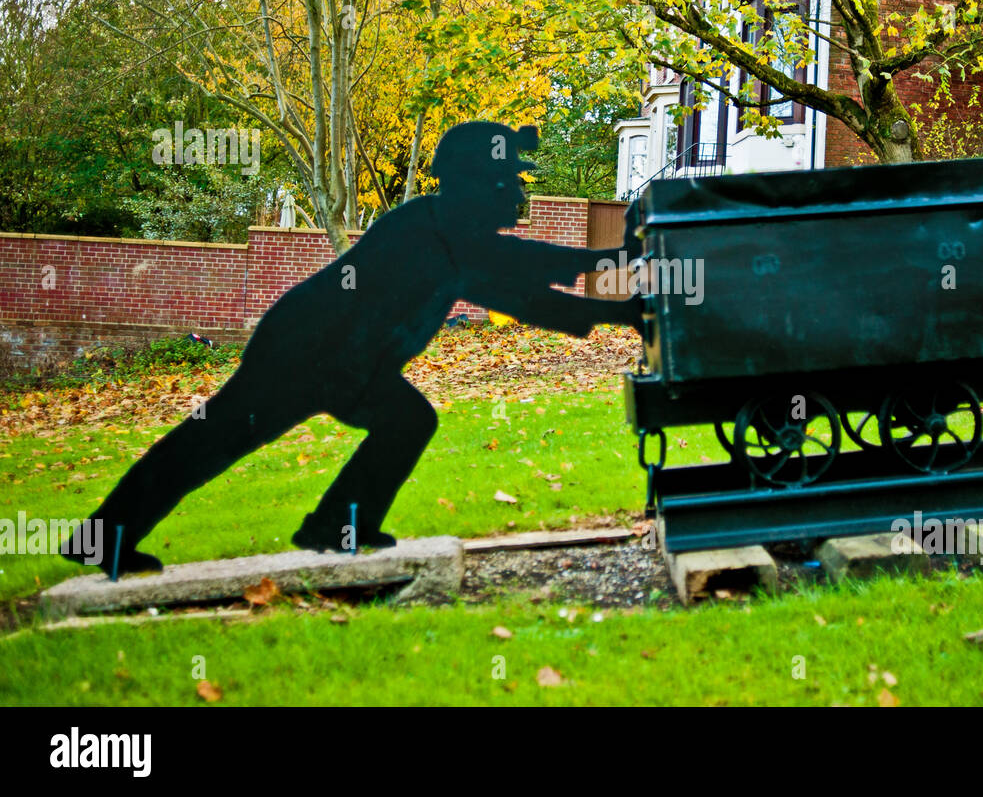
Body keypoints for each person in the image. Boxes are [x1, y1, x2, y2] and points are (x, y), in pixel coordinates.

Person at [61, 122, 641, 574]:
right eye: (509, 178)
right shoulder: (438, 230)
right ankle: (108, 538)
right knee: (215, 440)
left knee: (398, 422)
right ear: (476, 182)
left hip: (342, 359)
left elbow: (531, 291)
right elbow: (535, 276)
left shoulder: (448, 232)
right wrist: (617, 286)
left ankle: (336, 525)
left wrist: (617, 297)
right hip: (309, 353)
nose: (516, 189)